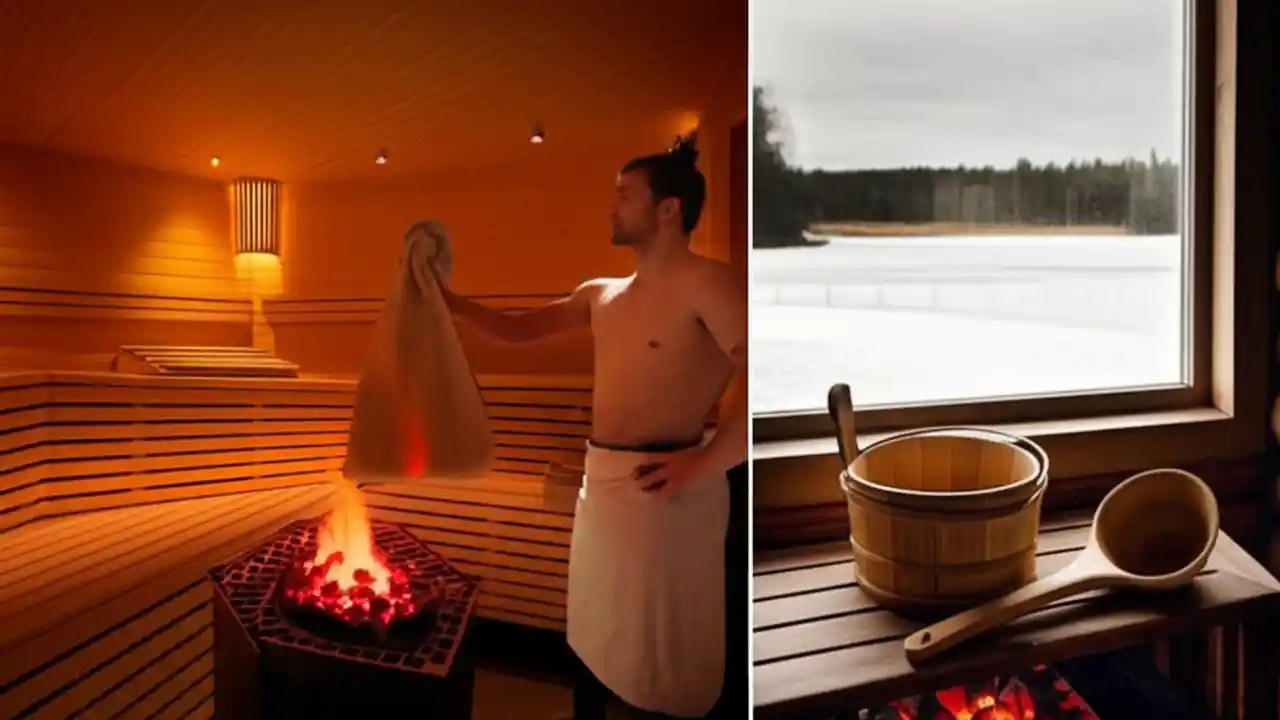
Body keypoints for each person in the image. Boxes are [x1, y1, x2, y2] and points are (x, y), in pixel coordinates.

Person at [439, 135, 746, 719]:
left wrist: (703, 463)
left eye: (623, 194)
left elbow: (759, 372)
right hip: (602, 479)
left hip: (668, 482)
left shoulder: (710, 283)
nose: (611, 206)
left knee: (661, 644)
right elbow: (519, 330)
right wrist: (450, 303)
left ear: (668, 208)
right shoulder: (601, 294)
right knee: (605, 622)